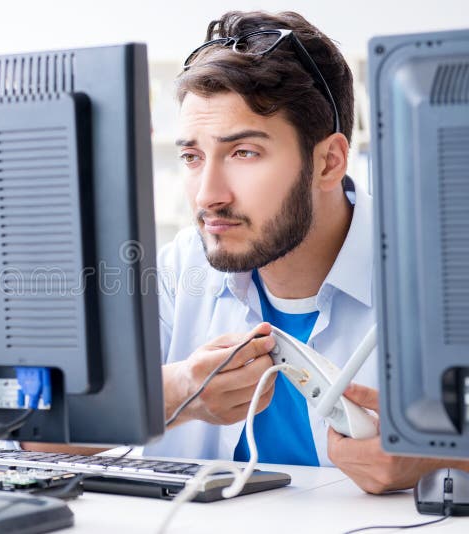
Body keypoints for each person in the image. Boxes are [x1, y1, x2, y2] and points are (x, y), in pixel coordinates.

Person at [143, 10, 469, 494]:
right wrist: (180, 394)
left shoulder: (443, 270)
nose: (207, 195)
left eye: (243, 153)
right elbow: (40, 435)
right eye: (192, 157)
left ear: (329, 162)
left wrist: (445, 455)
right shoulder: (180, 268)